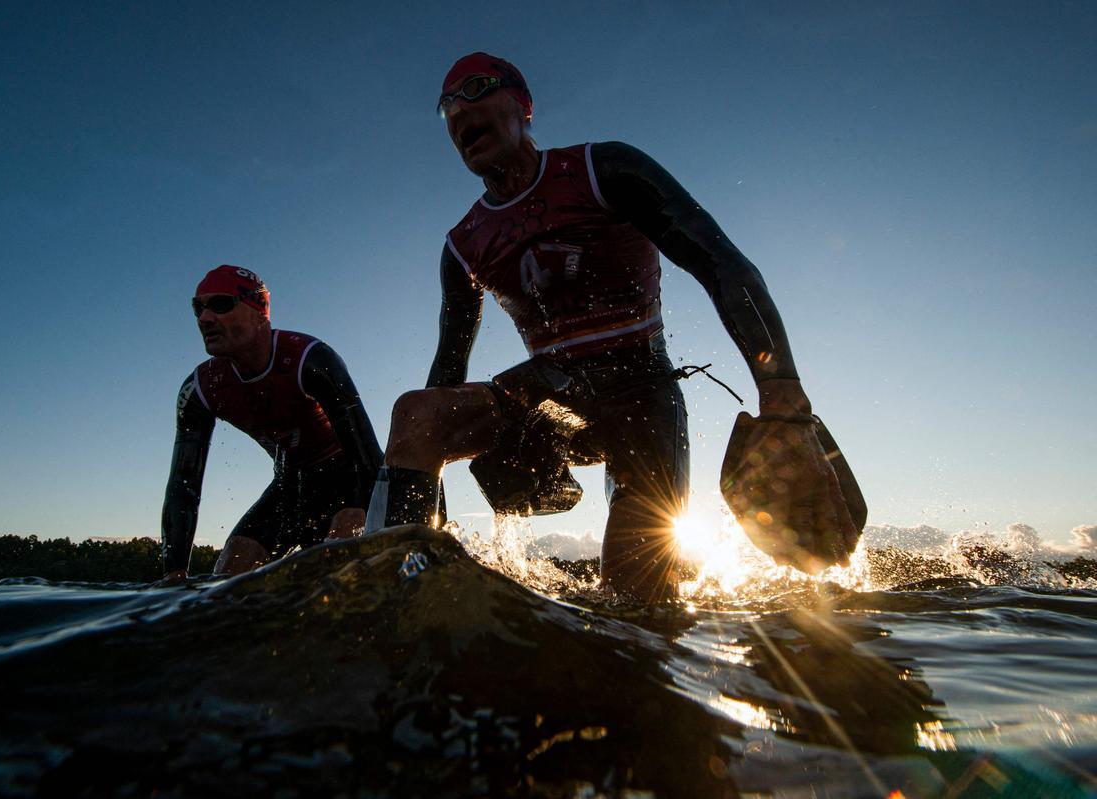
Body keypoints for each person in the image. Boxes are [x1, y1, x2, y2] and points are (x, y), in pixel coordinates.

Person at [363, 53, 861, 600]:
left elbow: (722, 265)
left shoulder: (605, 171)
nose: (458, 110)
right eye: (446, 106)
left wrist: (782, 393)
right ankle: (393, 589)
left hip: (644, 393)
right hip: (553, 396)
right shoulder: (463, 245)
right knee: (416, 415)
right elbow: (447, 373)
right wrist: (424, 511)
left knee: (634, 597)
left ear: (523, 105)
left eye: (476, 89)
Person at [161, 265, 382, 579]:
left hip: (350, 477)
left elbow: (367, 457)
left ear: (259, 312)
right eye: (198, 308)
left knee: (337, 564)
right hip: (289, 486)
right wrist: (173, 573)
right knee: (227, 579)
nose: (204, 319)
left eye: (221, 305)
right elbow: (183, 488)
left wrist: (372, 519)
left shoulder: (310, 358)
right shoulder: (199, 390)